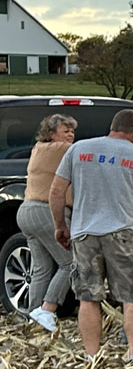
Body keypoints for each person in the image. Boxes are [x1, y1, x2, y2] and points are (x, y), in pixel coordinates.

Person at [48, 108, 133, 361]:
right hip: (122, 234)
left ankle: (92, 356)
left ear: (112, 126)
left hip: (85, 234)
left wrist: (60, 226)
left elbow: (56, 191)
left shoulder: (78, 149)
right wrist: (129, 196)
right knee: (132, 298)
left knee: (88, 298)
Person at [18, 113, 77, 332]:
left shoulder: (38, 148)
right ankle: (47, 309)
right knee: (70, 263)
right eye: (66, 131)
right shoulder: (61, 149)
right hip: (45, 212)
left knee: (42, 268)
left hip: (26, 211)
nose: (71, 135)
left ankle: (34, 316)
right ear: (52, 134)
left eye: (72, 131)